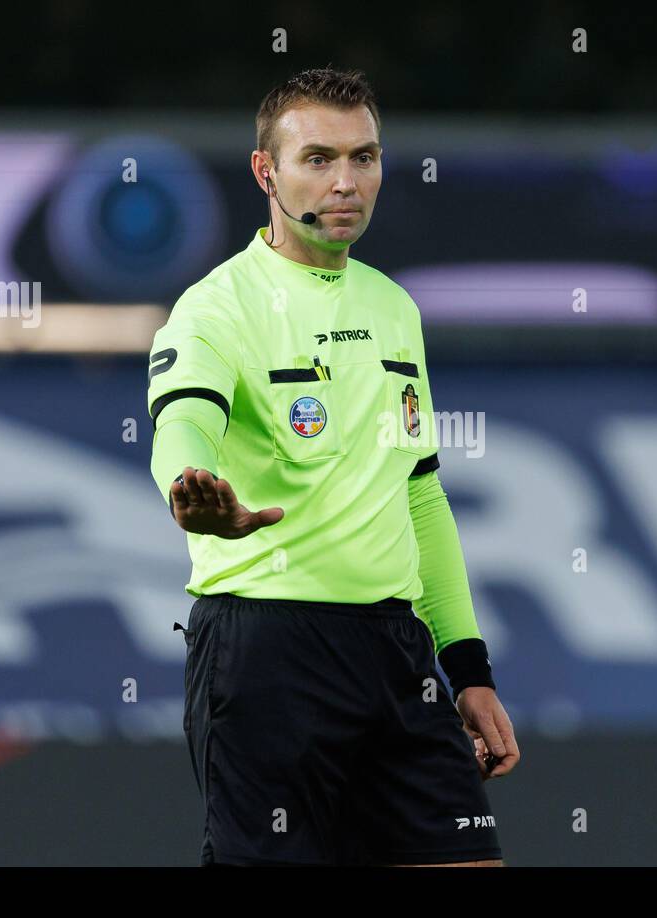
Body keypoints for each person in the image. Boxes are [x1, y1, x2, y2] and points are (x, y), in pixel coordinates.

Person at [146, 67, 519, 866]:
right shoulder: (216, 308)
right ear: (265, 171)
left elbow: (420, 496)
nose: (347, 182)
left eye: (365, 157)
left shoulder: (393, 306)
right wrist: (191, 492)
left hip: (396, 650)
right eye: (318, 158)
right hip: (267, 648)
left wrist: (468, 668)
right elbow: (182, 424)